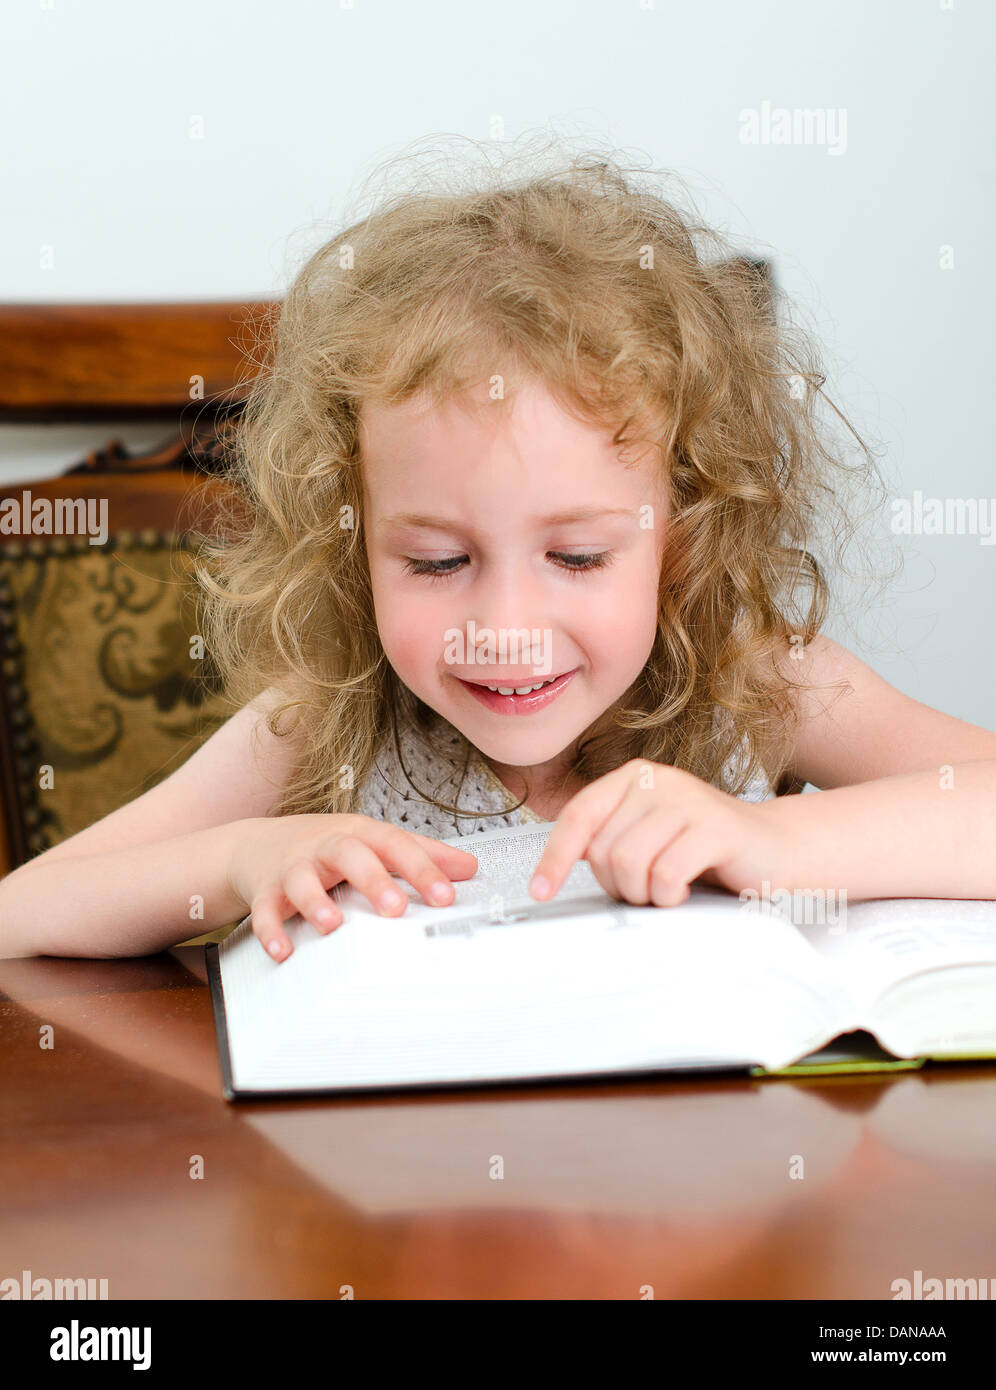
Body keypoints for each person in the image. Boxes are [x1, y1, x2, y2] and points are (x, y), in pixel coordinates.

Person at [4, 141, 996, 964]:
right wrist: (232, 864)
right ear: (351, 546)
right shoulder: (326, 721)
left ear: (682, 533)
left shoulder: (756, 687)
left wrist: (777, 837)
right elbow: (23, 914)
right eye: (436, 562)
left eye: (575, 556)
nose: (507, 629)